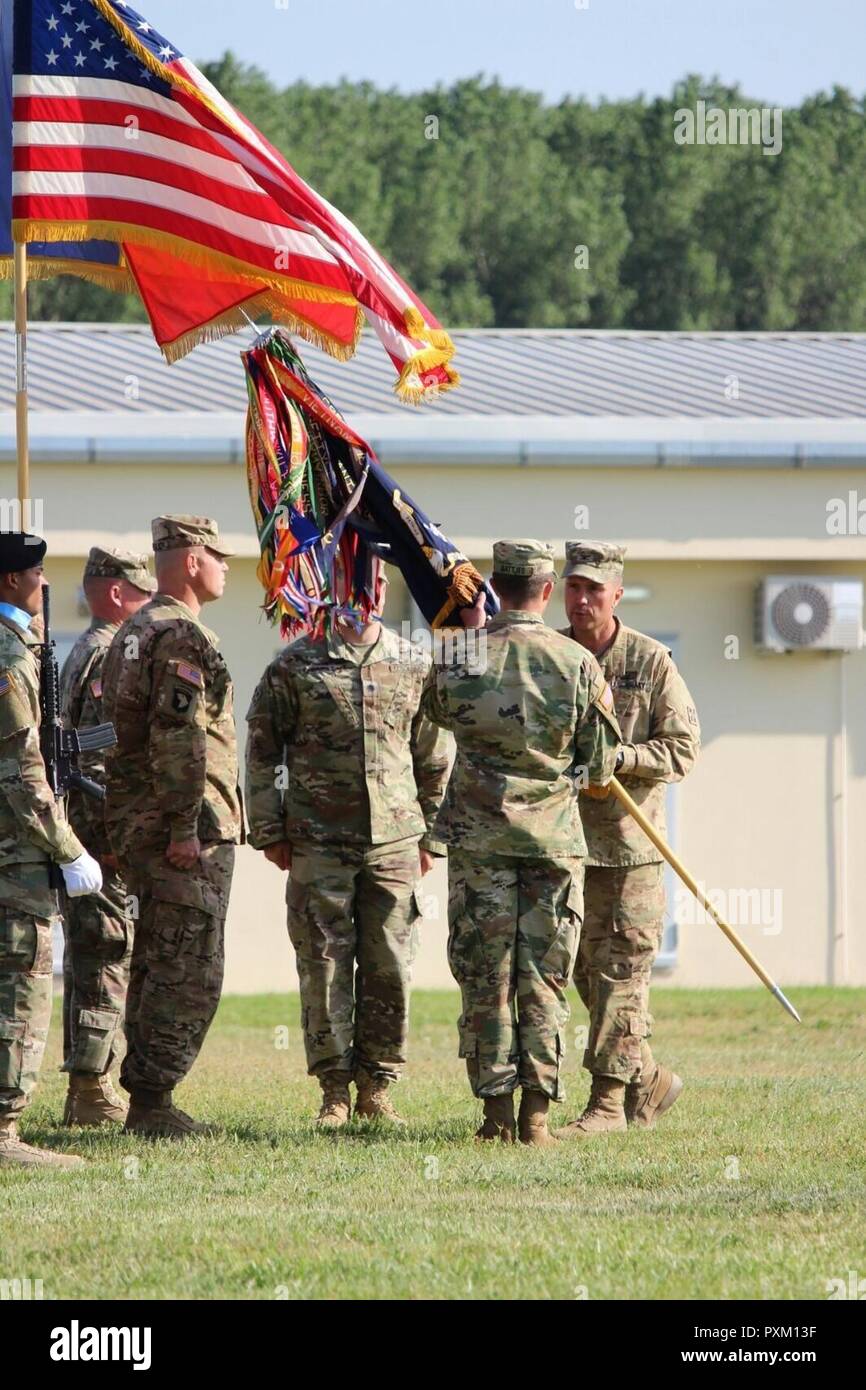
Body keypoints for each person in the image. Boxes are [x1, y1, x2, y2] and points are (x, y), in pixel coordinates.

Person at [422, 540, 621, 1146]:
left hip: (478, 843)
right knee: (544, 976)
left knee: (488, 977)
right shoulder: (579, 663)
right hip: (553, 845)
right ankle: (537, 1119)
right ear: (547, 590)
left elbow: (433, 717)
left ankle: (494, 1118)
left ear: (494, 587)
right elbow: (601, 769)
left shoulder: (457, 657)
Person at [245, 559, 451, 1128]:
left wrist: (431, 834)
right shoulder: (297, 663)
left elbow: (434, 756)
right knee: (324, 964)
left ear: (385, 589)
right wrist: (270, 829)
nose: (368, 591)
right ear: (332, 589)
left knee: (390, 965)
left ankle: (378, 1086)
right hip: (317, 841)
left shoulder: (412, 663)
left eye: (377, 582)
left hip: (395, 845)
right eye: (355, 581)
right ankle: (334, 1089)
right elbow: (263, 749)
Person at [101, 516, 241, 1139]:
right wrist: (186, 825)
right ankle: (152, 1102)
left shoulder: (131, 631)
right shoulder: (180, 634)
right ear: (191, 560)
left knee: (159, 957)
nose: (226, 567)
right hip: (181, 828)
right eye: (218, 555)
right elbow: (179, 736)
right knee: (188, 966)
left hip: (139, 822)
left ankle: (147, 1097)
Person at [555, 541, 700, 1139]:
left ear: (617, 594)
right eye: (573, 587)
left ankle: (608, 1107)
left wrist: (621, 758)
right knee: (585, 974)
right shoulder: (552, 657)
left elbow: (682, 747)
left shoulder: (650, 661)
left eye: (595, 589)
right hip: (562, 847)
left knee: (620, 974)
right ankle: (649, 1081)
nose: (583, 599)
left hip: (628, 851)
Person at [0, 531, 102, 1168]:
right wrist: (69, 849)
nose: (44, 585)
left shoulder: (23, 647)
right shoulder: (10, 656)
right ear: (10, 581)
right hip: (15, 851)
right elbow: (22, 774)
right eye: (36, 575)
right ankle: (4, 1133)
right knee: (21, 981)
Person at [59, 546, 155, 1128]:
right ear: (116, 593)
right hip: (99, 829)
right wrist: (112, 833)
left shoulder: (87, 650)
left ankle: (86, 1087)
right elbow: (96, 757)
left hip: (90, 827)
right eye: (141, 592)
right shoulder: (107, 653)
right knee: (106, 953)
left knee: (97, 952)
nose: (148, 604)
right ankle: (90, 1090)